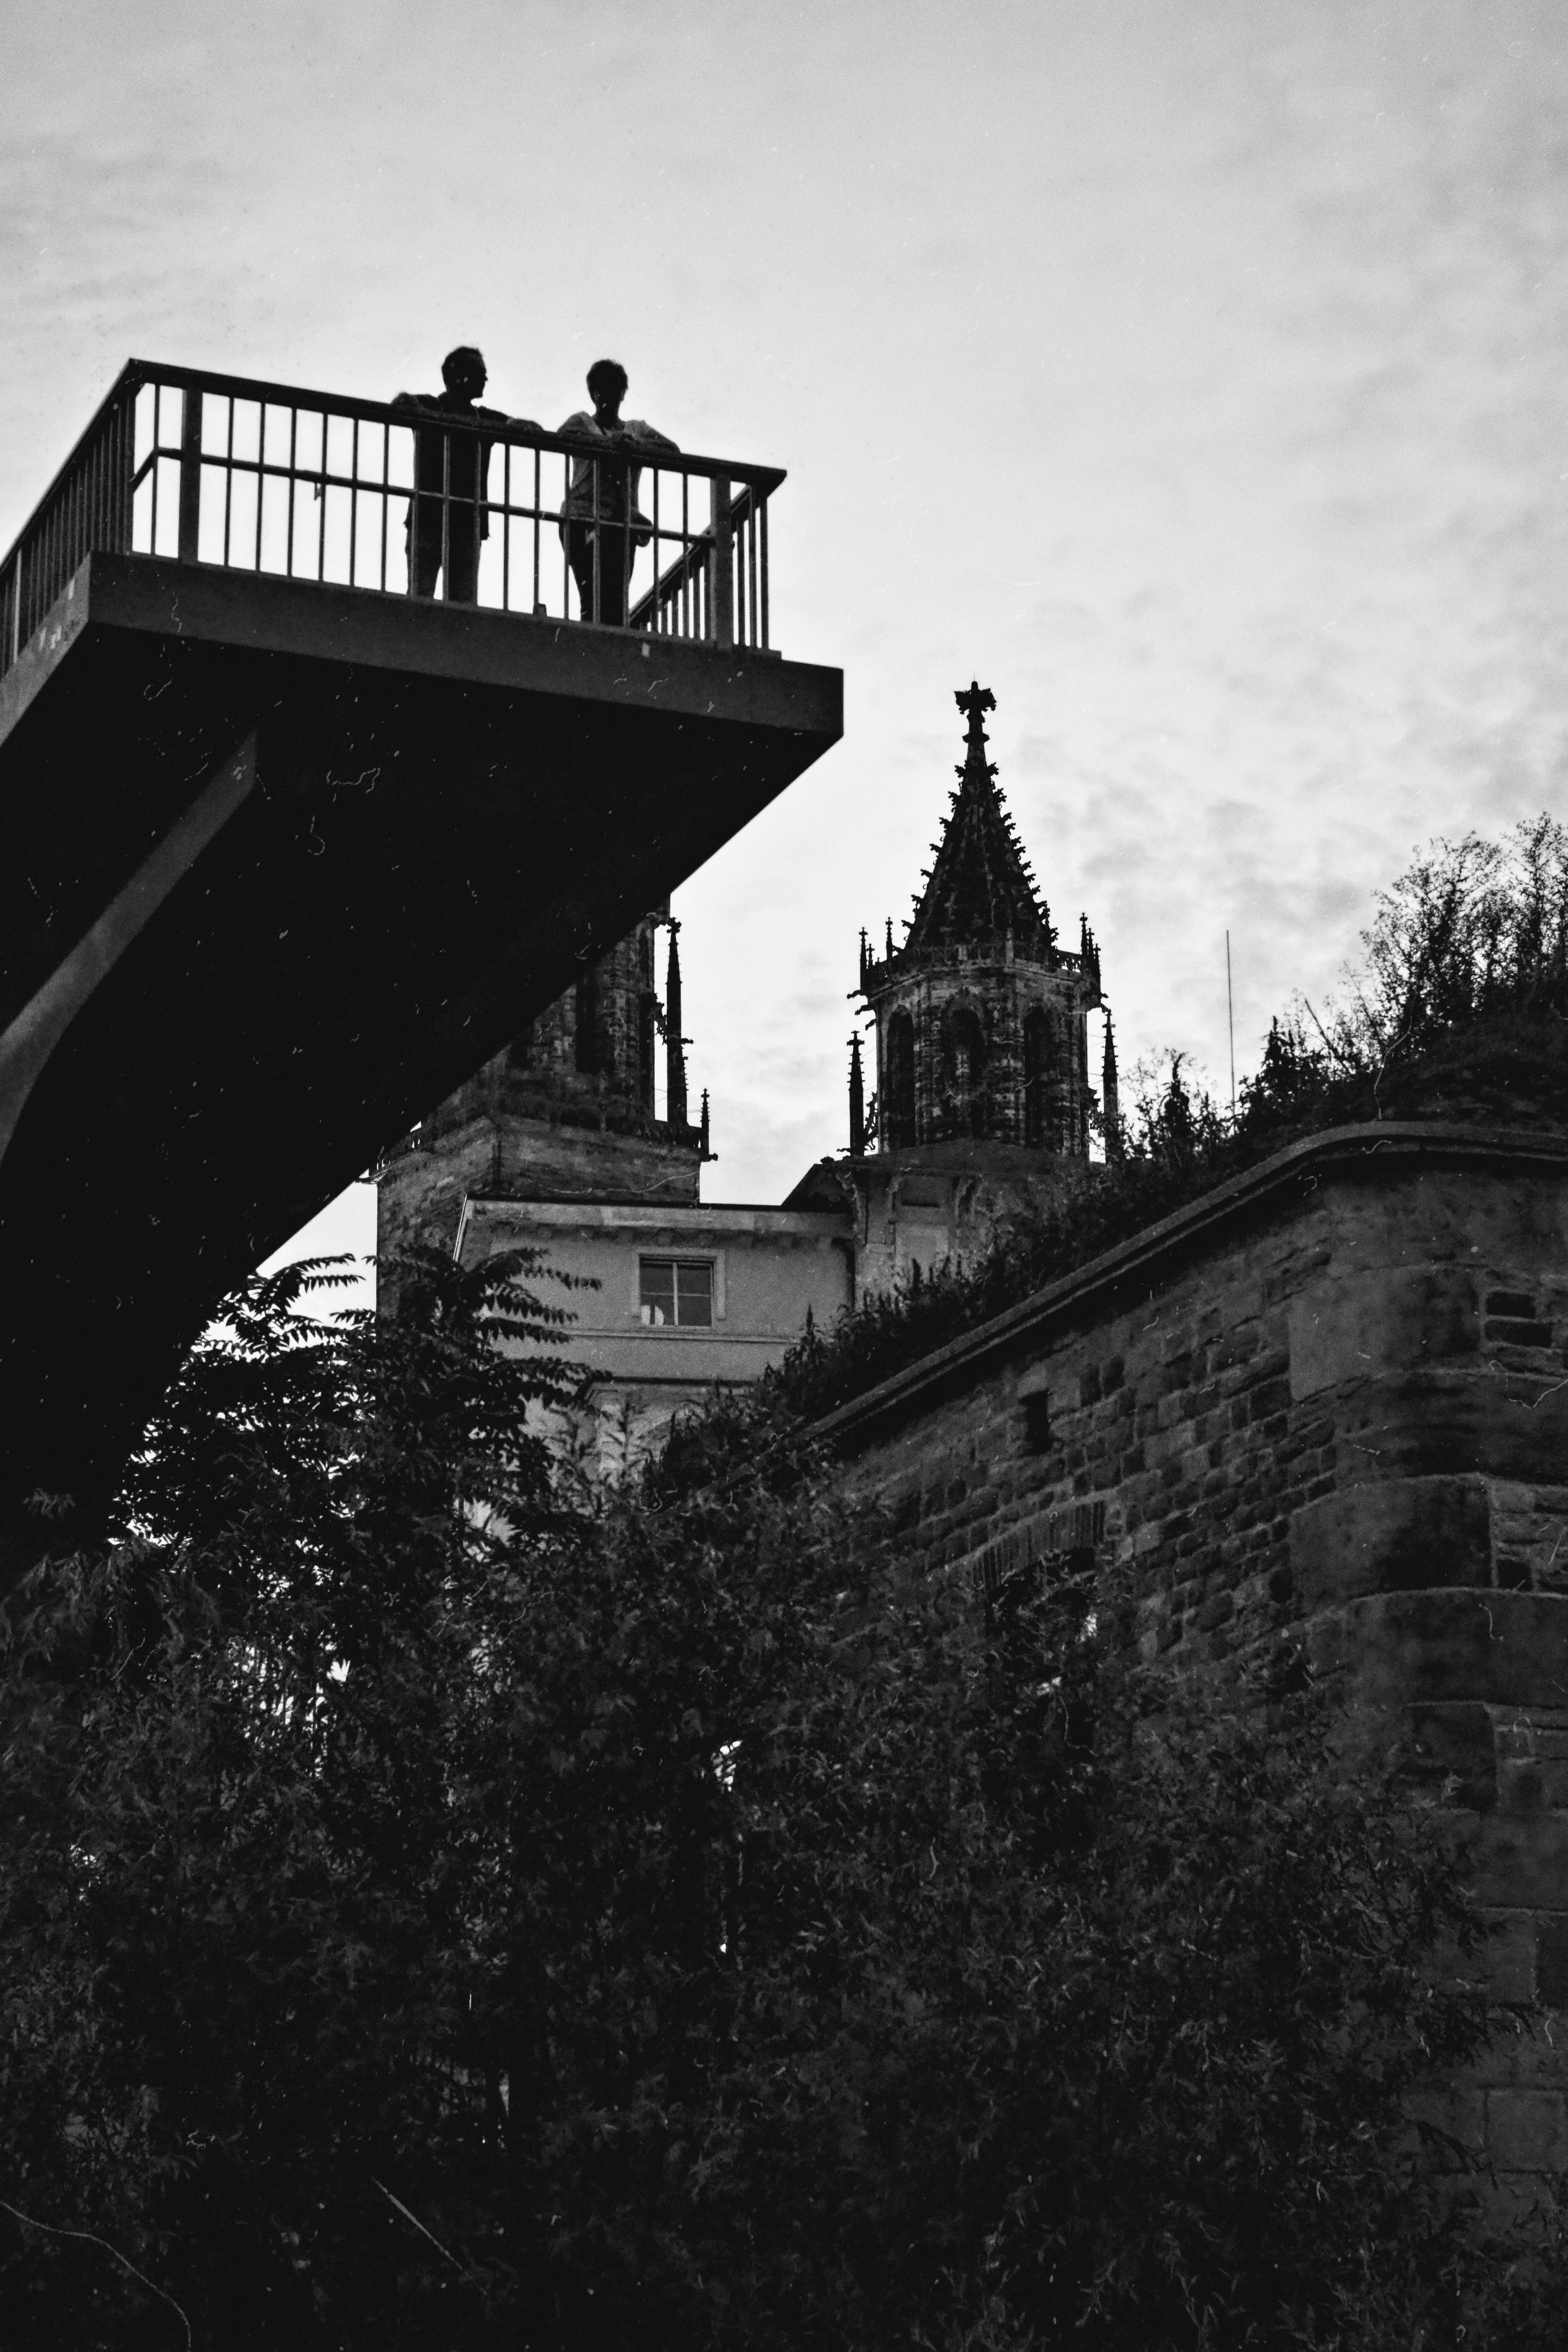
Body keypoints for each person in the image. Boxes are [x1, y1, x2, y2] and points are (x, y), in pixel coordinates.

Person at [392, 348, 538, 603]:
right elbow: (401, 403)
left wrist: (513, 426)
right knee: (424, 598)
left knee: (454, 604)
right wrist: (429, 418)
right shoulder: (433, 405)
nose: (485, 379)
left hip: (462, 524)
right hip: (433, 519)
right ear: (458, 376)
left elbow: (532, 430)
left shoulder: (483, 417)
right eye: (480, 372)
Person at [558, 360, 678, 626]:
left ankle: (606, 651)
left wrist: (634, 446)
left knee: (616, 599)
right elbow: (562, 438)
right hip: (582, 518)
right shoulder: (581, 421)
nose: (608, 395)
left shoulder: (636, 429)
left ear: (623, 392)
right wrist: (608, 443)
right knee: (592, 596)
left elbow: (672, 451)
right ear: (592, 393)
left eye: (613, 389)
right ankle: (597, 653)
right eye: (601, 390)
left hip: (621, 523)